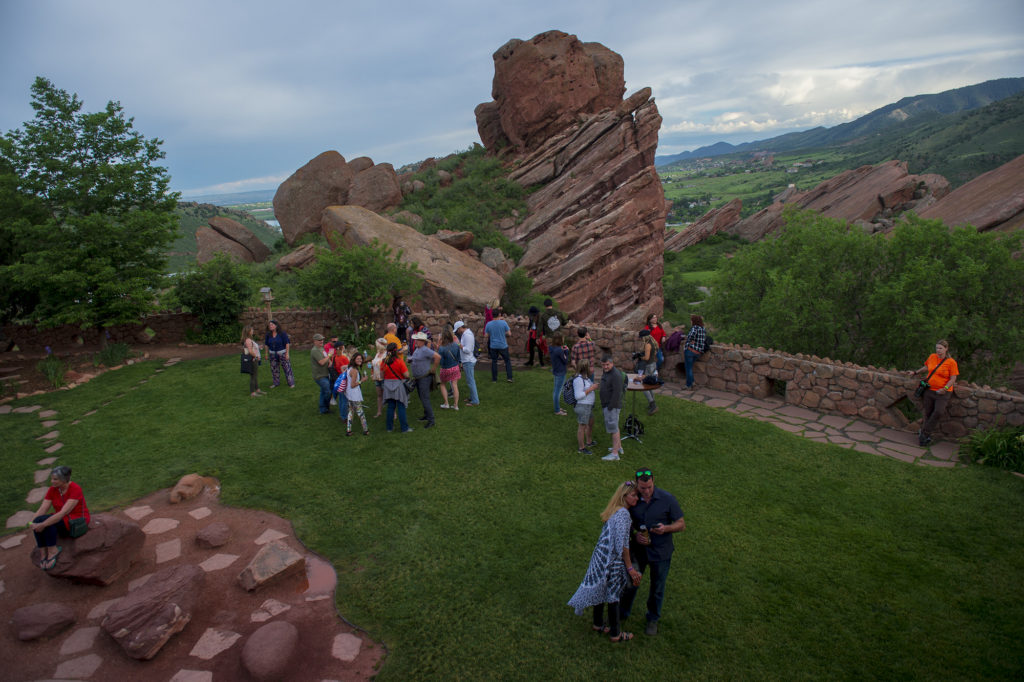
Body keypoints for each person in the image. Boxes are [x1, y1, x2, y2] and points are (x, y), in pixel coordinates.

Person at [567, 480, 643, 643]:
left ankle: (598, 623)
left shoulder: (614, 511)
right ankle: (616, 633)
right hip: (612, 561)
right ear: (624, 496)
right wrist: (630, 568)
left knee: (601, 590)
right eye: (633, 495)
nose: (637, 498)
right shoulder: (623, 514)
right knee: (613, 596)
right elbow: (623, 545)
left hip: (601, 559)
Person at [618, 467, 686, 636]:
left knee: (657, 587)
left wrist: (666, 528)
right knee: (630, 582)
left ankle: (653, 618)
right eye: (642, 488)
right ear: (637, 484)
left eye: (649, 487)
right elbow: (624, 521)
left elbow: (681, 524)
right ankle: (622, 612)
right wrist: (635, 535)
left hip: (661, 552)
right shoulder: (632, 499)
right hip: (639, 550)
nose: (647, 491)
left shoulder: (667, 499)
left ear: (653, 482)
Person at [30, 465, 90, 571]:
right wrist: (33, 522)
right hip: (61, 518)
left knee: (47, 523)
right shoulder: (53, 489)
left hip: (74, 520)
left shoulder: (75, 489)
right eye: (52, 479)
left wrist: (43, 524)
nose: (52, 481)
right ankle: (43, 552)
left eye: (55, 479)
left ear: (64, 479)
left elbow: (63, 513)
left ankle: (53, 550)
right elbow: (43, 508)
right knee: (38, 520)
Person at [907, 339, 959, 446]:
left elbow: (953, 378)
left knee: (939, 411)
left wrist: (945, 388)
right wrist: (915, 372)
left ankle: (924, 433)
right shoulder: (932, 357)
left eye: (940, 348)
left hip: (943, 392)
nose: (938, 350)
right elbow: (927, 367)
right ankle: (925, 436)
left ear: (946, 349)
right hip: (929, 390)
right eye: (937, 348)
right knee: (928, 413)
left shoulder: (951, 362)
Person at [409, 332, 440, 428]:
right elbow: (418, 358)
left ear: (422, 341)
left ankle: (431, 420)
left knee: (425, 399)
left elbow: (438, 357)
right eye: (416, 339)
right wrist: (411, 360)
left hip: (424, 378)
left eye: (417, 340)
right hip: (418, 378)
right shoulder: (418, 349)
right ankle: (427, 415)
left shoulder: (425, 350)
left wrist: (433, 369)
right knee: (422, 397)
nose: (416, 341)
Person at [381, 342, 413, 433]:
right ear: (396, 351)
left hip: (387, 385)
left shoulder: (384, 362)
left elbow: (381, 375)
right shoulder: (399, 361)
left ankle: (389, 428)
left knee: (390, 406)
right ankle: (404, 428)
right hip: (398, 385)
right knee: (401, 406)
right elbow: (406, 375)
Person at [600, 355, 625, 461]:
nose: (605, 367)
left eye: (607, 364)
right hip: (608, 405)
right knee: (615, 427)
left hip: (612, 406)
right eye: (603, 365)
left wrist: (610, 407)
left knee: (613, 429)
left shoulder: (615, 375)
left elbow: (617, 393)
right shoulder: (607, 372)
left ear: (612, 363)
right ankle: (618, 447)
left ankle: (614, 454)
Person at [573, 361, 598, 454]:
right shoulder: (578, 380)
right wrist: (591, 389)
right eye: (590, 366)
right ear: (586, 368)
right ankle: (581, 448)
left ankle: (589, 441)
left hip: (588, 406)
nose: (592, 368)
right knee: (582, 426)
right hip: (583, 406)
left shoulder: (586, 378)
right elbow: (578, 396)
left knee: (590, 422)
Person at [453, 321, 480, 407]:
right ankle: (472, 397)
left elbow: (468, 350)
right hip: (467, 360)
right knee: (470, 381)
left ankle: (475, 400)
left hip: (468, 361)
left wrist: (458, 344)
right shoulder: (466, 334)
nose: (457, 332)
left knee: (470, 381)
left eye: (457, 330)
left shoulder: (467, 335)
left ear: (460, 328)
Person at [484, 307, 513, 383]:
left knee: (494, 362)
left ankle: (494, 379)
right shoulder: (503, 323)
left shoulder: (488, 324)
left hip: (493, 346)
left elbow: (486, 335)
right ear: (499, 314)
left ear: (492, 315)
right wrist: (503, 333)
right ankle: (509, 378)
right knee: (507, 361)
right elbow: (509, 334)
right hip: (503, 345)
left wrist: (491, 333)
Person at [264, 319, 295, 388]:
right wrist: (266, 354)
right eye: (269, 325)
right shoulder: (268, 334)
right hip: (272, 354)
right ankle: (276, 383)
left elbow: (287, 343)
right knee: (274, 369)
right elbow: (266, 345)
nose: (270, 326)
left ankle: (291, 383)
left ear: (276, 325)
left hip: (282, 353)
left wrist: (287, 354)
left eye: (272, 325)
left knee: (287, 368)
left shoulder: (282, 333)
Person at [344, 351, 370, 436]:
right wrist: (362, 380)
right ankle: (366, 430)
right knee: (361, 413)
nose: (360, 360)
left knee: (351, 412)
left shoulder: (349, 368)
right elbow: (352, 385)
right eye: (358, 359)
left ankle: (348, 431)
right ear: (354, 359)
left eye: (361, 359)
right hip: (354, 395)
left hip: (349, 394)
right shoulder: (354, 370)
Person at [310, 333, 335, 414]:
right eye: (319, 340)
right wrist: (330, 355)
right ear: (315, 341)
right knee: (328, 391)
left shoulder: (321, 348)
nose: (322, 341)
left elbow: (326, 357)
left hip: (325, 373)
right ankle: (326, 407)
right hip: (319, 376)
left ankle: (323, 409)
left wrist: (330, 361)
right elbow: (321, 362)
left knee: (324, 391)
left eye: (322, 339)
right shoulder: (315, 350)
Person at [437, 329, 462, 410]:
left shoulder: (441, 348)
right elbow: (458, 357)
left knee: (442, 384)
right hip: (455, 367)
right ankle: (456, 405)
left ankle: (446, 403)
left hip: (445, 368)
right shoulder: (456, 345)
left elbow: (441, 362)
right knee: (455, 385)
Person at [683, 314, 707, 390]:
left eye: (691, 320)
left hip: (691, 350)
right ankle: (692, 382)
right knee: (690, 367)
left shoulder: (695, 328)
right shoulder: (703, 329)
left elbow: (690, 337)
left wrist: (690, 341)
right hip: (698, 352)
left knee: (688, 368)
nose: (690, 322)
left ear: (694, 321)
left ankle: (688, 385)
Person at [638, 329, 659, 415]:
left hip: (649, 366)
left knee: (644, 386)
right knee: (649, 385)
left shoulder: (648, 345)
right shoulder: (653, 342)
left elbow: (646, 358)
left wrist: (639, 357)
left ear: (644, 337)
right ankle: (652, 403)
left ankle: (653, 405)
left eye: (641, 338)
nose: (641, 339)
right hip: (653, 364)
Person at [550, 333, 570, 416]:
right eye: (562, 338)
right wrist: (566, 351)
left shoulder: (552, 347)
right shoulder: (559, 350)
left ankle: (557, 407)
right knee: (557, 392)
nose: (563, 339)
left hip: (556, 370)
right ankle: (557, 410)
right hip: (560, 372)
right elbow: (565, 361)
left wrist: (562, 350)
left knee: (556, 390)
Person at [241, 325, 264, 398]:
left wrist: (258, 347)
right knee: (253, 376)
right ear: (248, 331)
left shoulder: (250, 339)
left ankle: (257, 390)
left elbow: (252, 348)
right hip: (253, 360)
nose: (253, 331)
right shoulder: (248, 340)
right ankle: (253, 393)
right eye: (252, 330)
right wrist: (256, 356)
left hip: (254, 359)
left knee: (255, 375)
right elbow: (250, 351)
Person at [371, 337, 388, 418]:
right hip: (377, 378)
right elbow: (374, 365)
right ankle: (379, 412)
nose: (375, 346)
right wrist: (372, 373)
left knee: (388, 396)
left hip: (384, 378)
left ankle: (393, 413)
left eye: (376, 345)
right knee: (379, 395)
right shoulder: (377, 354)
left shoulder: (386, 354)